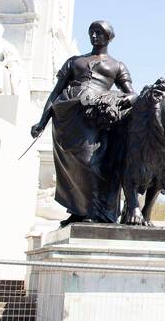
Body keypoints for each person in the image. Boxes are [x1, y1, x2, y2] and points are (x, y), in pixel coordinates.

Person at [31, 19, 135, 224]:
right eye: (92, 32)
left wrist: (112, 101)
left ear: (109, 37)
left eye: (99, 32)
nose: (94, 36)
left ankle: (97, 212)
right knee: (70, 164)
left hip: (93, 118)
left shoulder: (117, 65)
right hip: (66, 115)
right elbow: (55, 92)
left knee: (90, 162)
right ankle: (78, 211)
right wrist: (42, 122)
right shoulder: (74, 61)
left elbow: (132, 94)